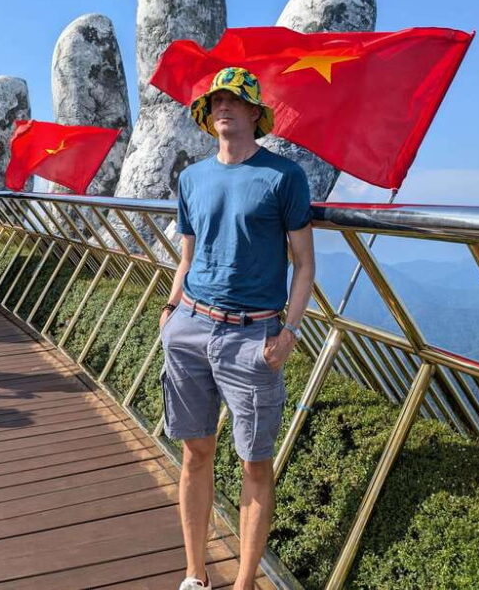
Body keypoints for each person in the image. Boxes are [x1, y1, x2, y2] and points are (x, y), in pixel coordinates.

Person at [159, 67, 315, 590]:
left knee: (255, 463)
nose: (223, 106)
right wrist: (171, 308)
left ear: (254, 112)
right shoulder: (192, 178)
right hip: (190, 324)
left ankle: (245, 583)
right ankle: (195, 575)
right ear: (208, 115)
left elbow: (304, 264)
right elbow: (188, 256)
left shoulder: (283, 177)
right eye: (215, 101)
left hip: (253, 335)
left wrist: (289, 332)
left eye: (234, 99)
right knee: (195, 452)